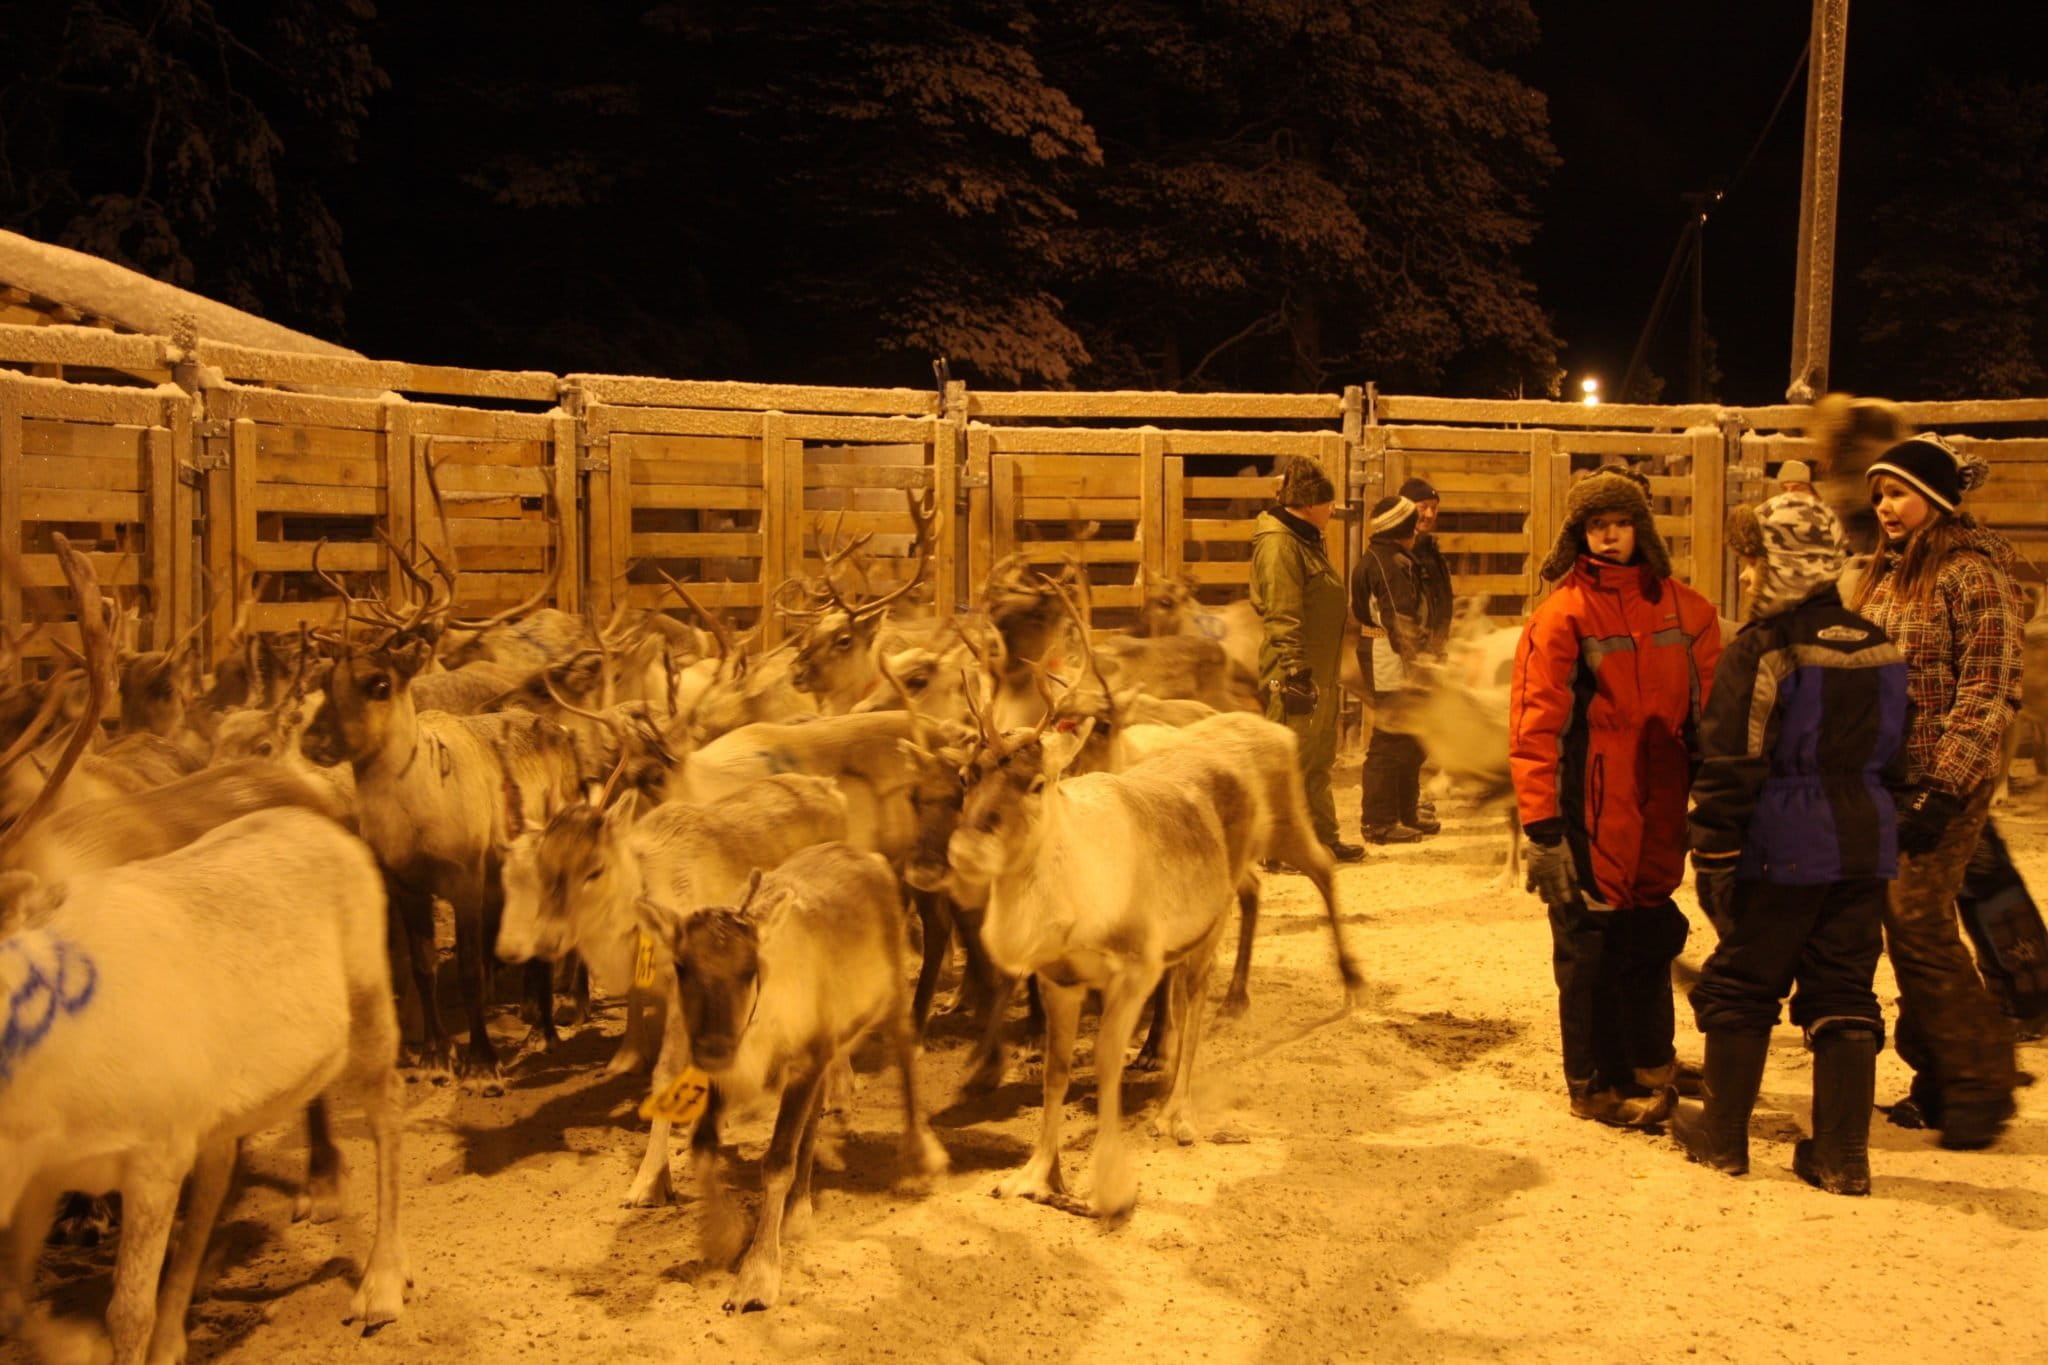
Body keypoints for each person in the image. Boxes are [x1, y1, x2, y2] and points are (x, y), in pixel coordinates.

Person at [1677, 496, 1908, 1196]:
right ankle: (1842, 1155)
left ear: (1786, 565)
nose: (1746, 576)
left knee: (1743, 984)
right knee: (1844, 988)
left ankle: (1722, 1138)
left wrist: (1715, 852)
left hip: (1782, 845)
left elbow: (1733, 756)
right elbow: (1898, 751)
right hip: (1864, 843)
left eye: (1754, 561)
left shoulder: (1766, 647)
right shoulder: (1879, 643)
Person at [1510, 467, 1722, 1126]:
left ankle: (1650, 1059)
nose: (1609, 535)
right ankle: (1595, 1080)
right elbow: (1536, 727)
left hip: (1659, 801)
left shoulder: (1688, 611)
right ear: (1579, 534)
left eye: (1621, 523)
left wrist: (1717, 796)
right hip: (1590, 806)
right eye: (1596, 525)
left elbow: (1711, 715)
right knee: (1590, 944)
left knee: (1650, 929)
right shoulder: (1562, 615)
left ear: (1641, 530)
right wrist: (1543, 828)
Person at [1848, 433, 2023, 1150]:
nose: (1885, 507)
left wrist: (1944, 788)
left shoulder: (1972, 576)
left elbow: (1988, 689)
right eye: (1879, 496)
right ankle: (1940, 1079)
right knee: (1907, 926)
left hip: (1945, 779)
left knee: (1917, 922)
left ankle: (1983, 1082)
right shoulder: (1889, 575)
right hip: (1888, 779)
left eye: (1898, 492)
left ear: (1936, 498)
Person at [1251, 455, 1364, 862]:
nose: (1333, 509)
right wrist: (1296, 670)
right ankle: (1280, 848)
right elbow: (1282, 611)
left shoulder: (1305, 539)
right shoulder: (1280, 545)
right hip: (1295, 672)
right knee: (1291, 760)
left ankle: (1321, 837)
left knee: (1316, 758)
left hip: (1318, 670)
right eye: (1329, 502)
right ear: (1310, 503)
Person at [1351, 494, 1433, 843]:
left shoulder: (1388, 558)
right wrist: (1415, 661)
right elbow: (1398, 617)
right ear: (1402, 528)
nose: (1418, 529)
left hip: (1392, 650)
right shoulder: (1387, 563)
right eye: (1413, 523)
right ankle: (1379, 821)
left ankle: (1404, 810)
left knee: (1411, 734)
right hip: (1389, 653)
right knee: (1390, 735)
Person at [1399, 476, 1455, 654]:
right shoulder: (1397, 553)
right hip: (1408, 652)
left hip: (1433, 650)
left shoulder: (1432, 553)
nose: (1430, 514)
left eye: (1434, 508)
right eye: (1423, 507)